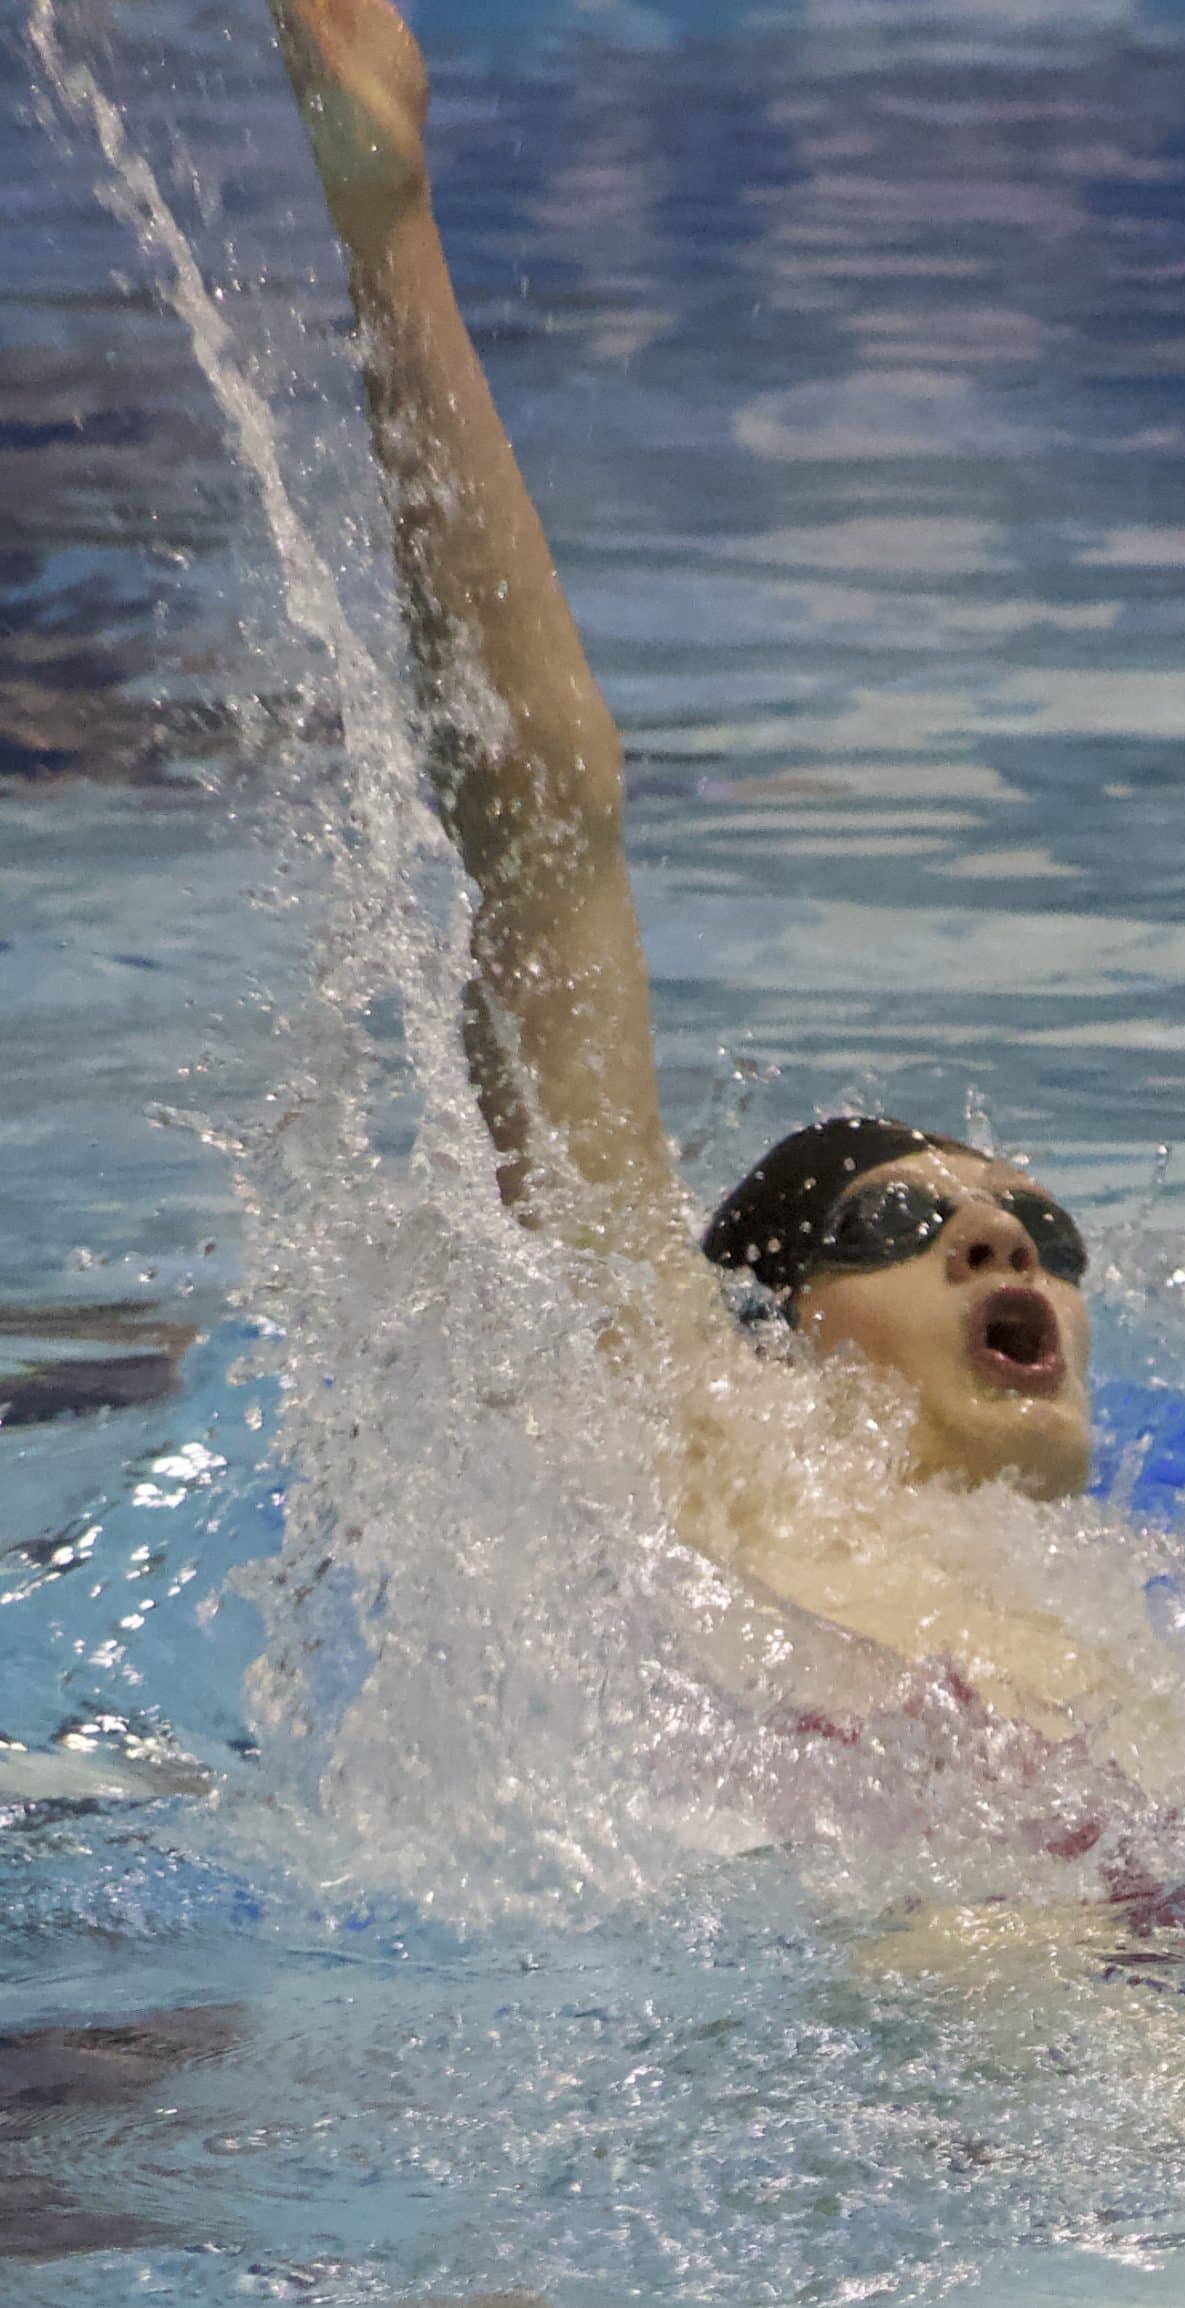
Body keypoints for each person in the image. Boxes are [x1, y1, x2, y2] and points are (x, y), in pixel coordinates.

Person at [268, 0, 1095, 1514]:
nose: (1004, 1244)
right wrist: (391, 230)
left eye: (1036, 1224)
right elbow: (542, 808)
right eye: (896, 1222)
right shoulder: (717, 1469)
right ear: (772, 1339)